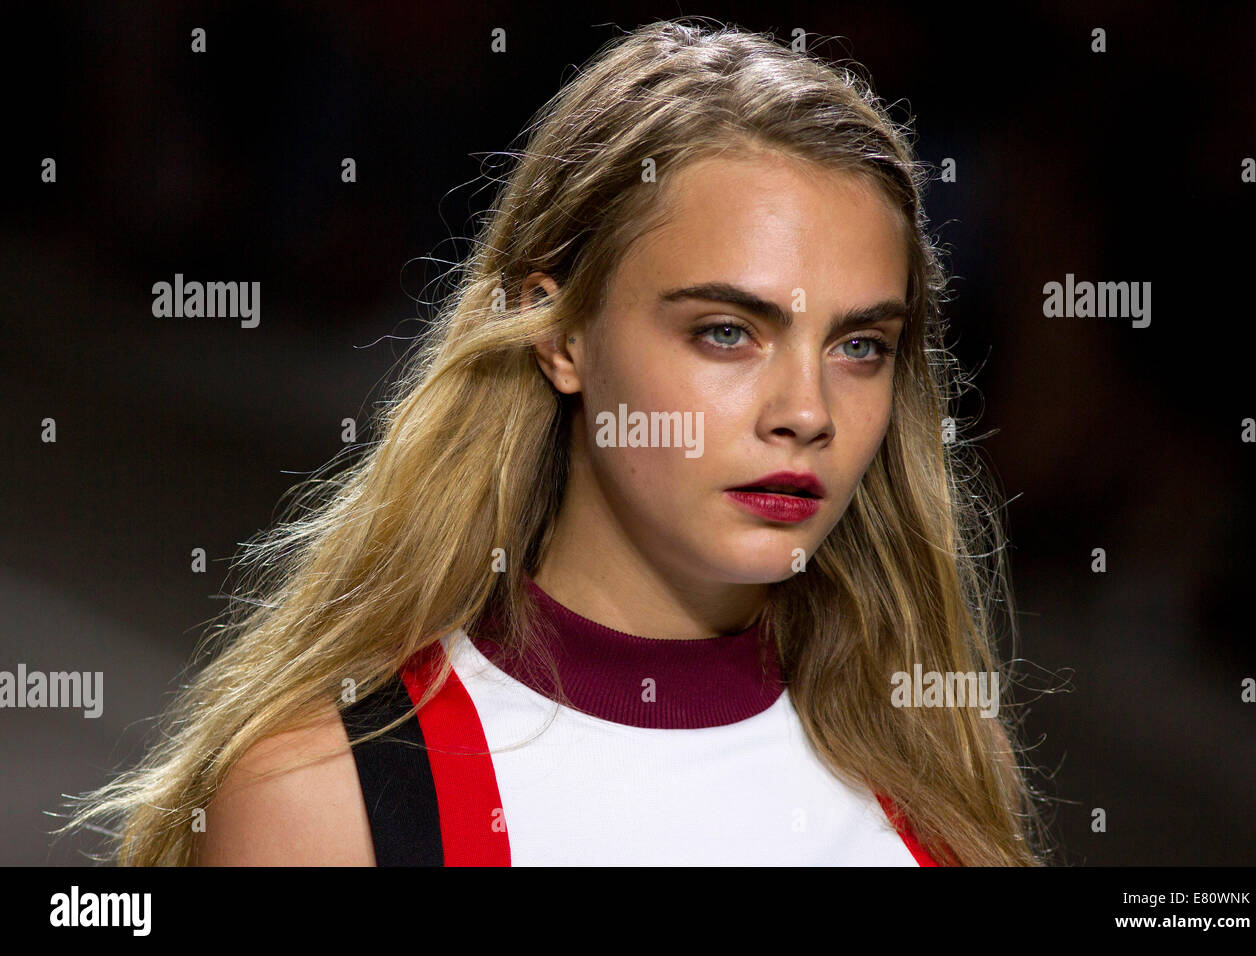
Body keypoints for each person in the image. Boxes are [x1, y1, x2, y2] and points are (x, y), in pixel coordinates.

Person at [62, 19, 1047, 866]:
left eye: (859, 344)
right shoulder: (327, 799)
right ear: (556, 329)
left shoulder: (943, 766)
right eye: (725, 331)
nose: (805, 408)